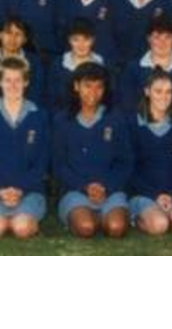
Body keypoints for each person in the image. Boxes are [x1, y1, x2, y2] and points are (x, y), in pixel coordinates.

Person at [52, 62, 133, 238]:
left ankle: (107, 215)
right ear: (76, 86)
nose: (93, 93)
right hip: (75, 190)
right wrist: (84, 186)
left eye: (99, 87)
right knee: (86, 227)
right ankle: (84, 216)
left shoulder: (115, 119)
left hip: (109, 190)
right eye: (87, 86)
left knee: (116, 227)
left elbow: (125, 162)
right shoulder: (62, 120)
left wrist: (107, 186)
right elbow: (58, 165)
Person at [0, 57, 50, 239]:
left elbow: (42, 163)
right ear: (0, 81)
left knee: (21, 229)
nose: (13, 85)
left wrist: (21, 189)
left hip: (29, 190)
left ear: (26, 82)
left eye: (18, 80)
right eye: (8, 80)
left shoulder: (39, 116)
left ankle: (22, 218)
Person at [126, 69, 172, 235]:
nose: (164, 97)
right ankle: (138, 218)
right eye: (158, 91)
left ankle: (168, 214)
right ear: (147, 91)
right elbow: (128, 168)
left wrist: (171, 193)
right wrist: (154, 195)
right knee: (159, 225)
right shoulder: (132, 124)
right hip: (143, 193)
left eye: (169, 92)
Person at [117, 16, 172, 124]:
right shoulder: (132, 69)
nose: (162, 42)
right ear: (148, 39)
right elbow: (127, 104)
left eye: (168, 37)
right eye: (157, 37)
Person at [0, 17, 47, 110]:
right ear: (0, 35)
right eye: (8, 33)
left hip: (27, 115)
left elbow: (37, 95)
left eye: (18, 34)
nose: (13, 38)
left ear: (25, 39)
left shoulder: (35, 62)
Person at [47, 18, 107, 113]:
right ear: (69, 40)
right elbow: (51, 100)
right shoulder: (58, 65)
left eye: (86, 39)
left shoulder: (103, 64)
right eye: (75, 39)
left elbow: (108, 101)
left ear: (93, 40)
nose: (81, 45)